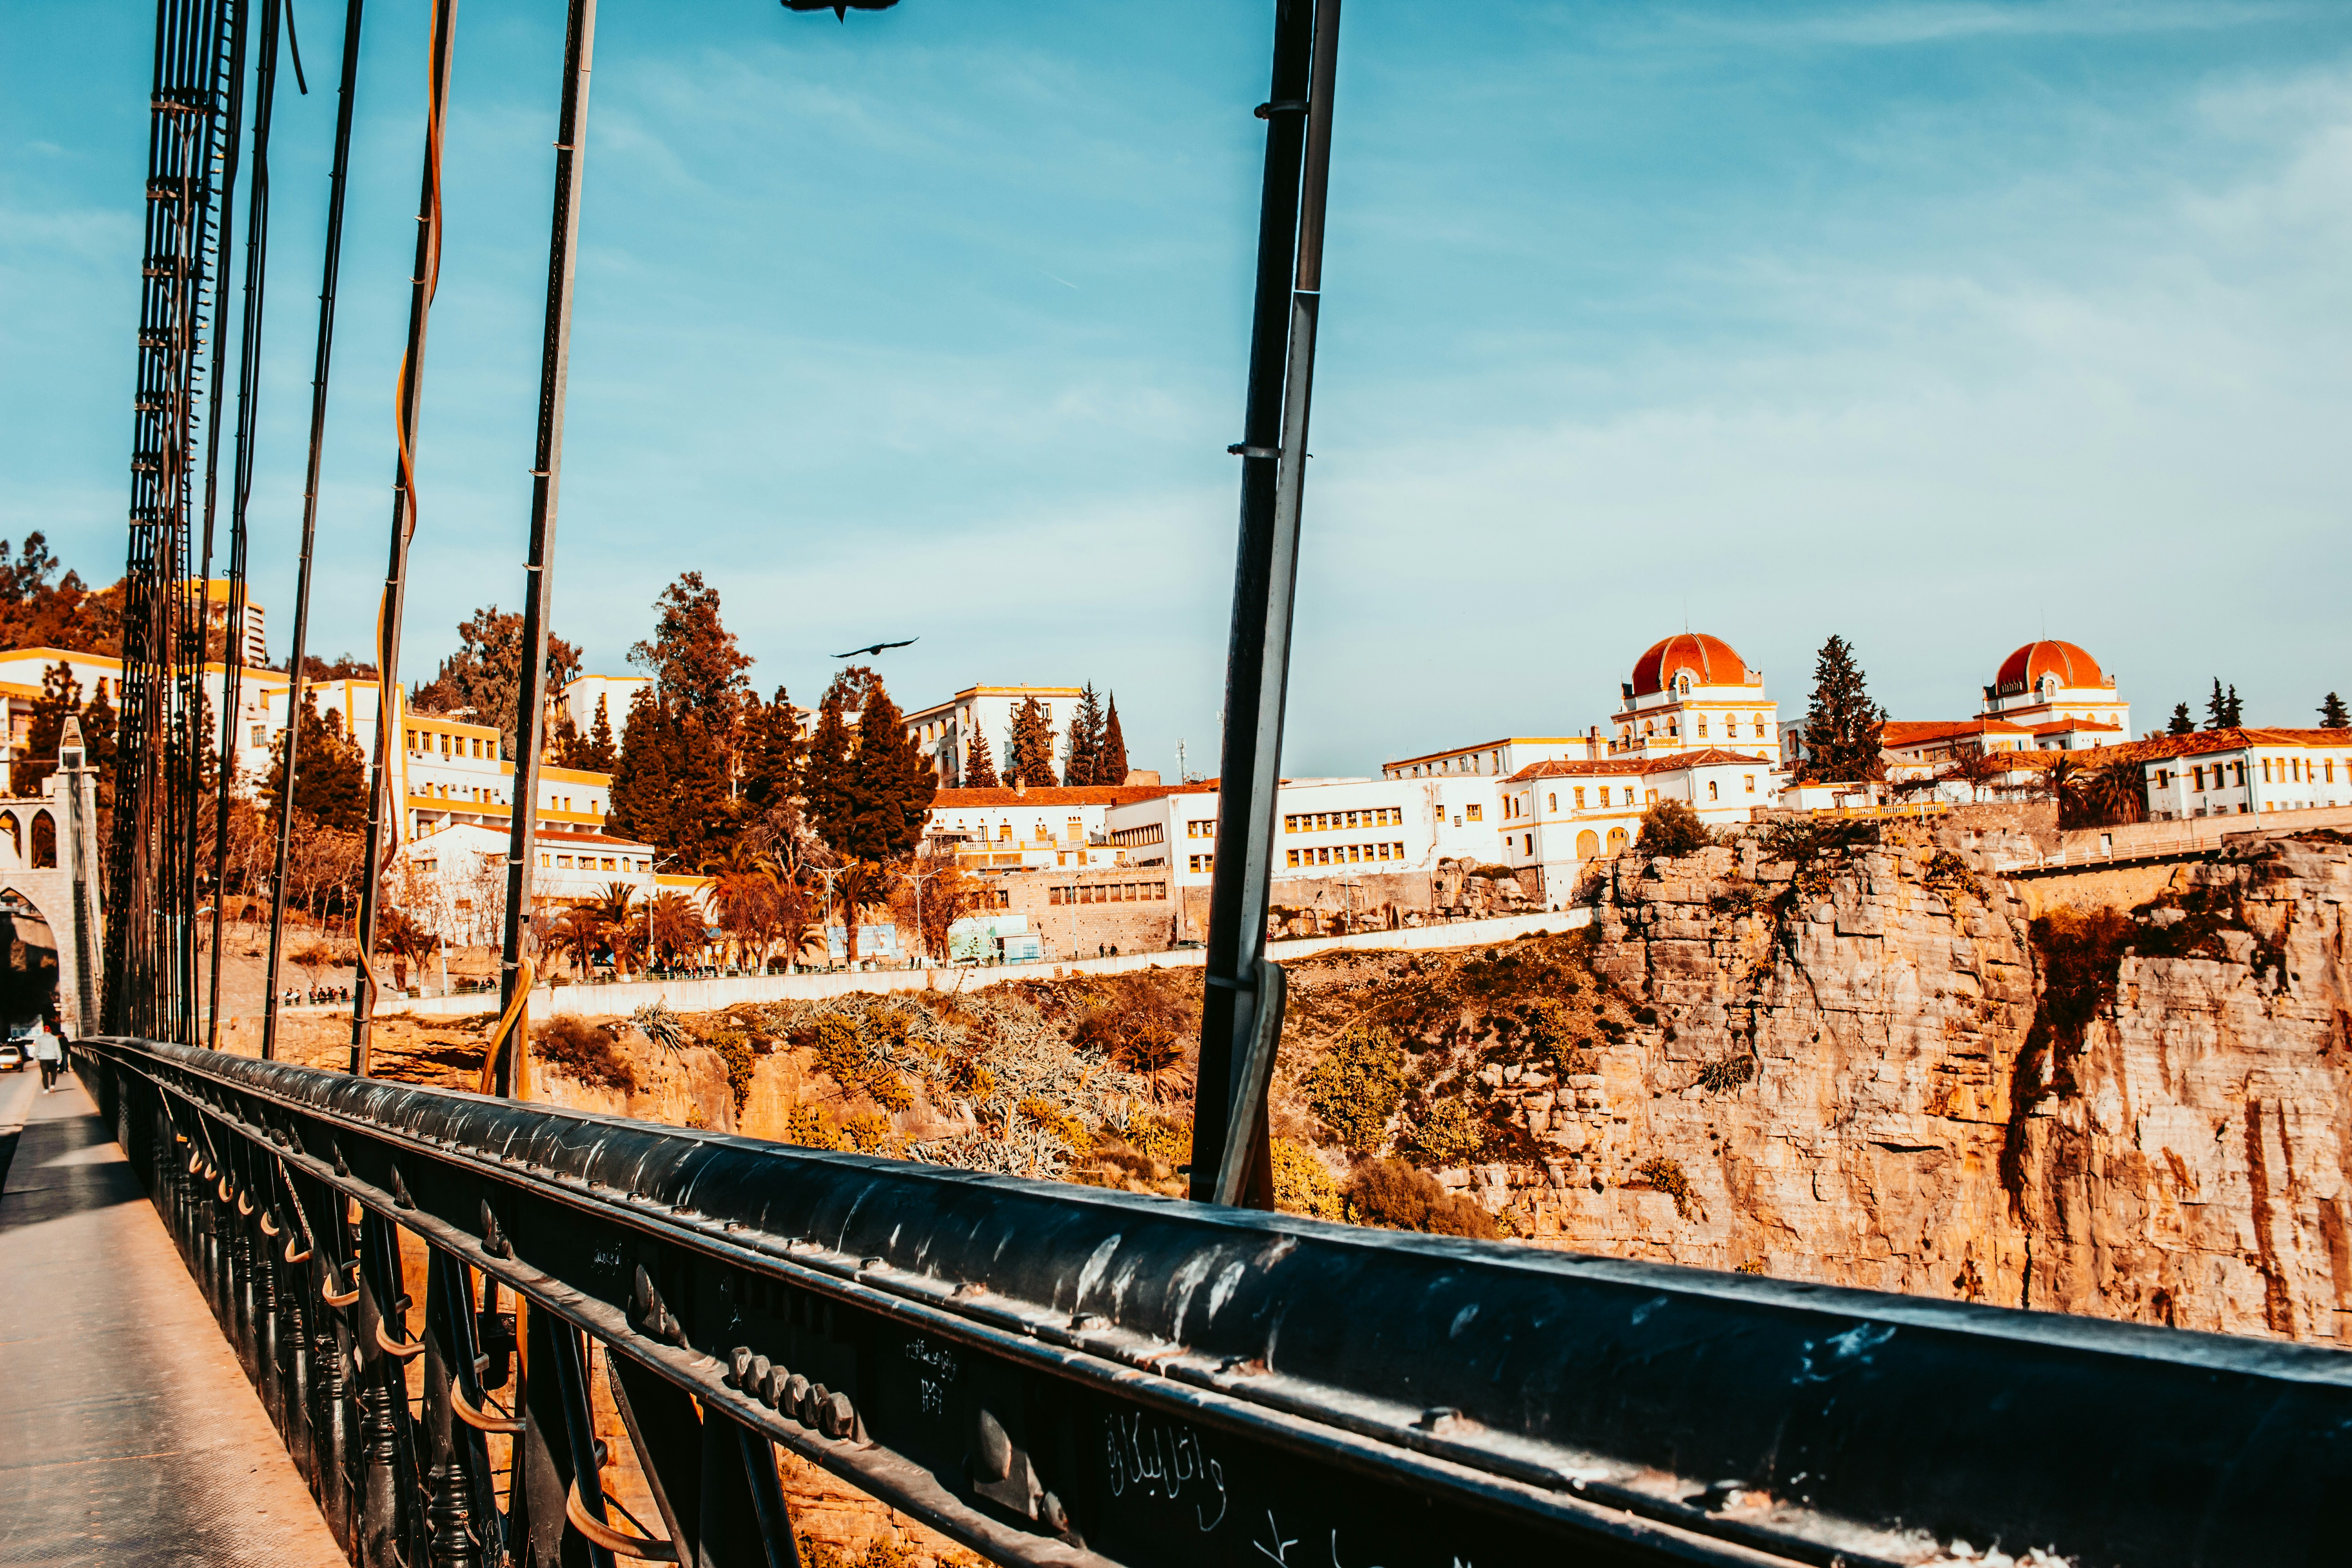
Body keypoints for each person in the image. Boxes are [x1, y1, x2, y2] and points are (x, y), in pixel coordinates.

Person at [29, 1018, 63, 1093]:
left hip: (43, 1058)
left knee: (45, 1074)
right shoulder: (54, 1038)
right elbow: (58, 1049)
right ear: (50, 1031)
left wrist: (36, 1059)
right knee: (54, 1072)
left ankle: (46, 1089)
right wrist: (60, 1058)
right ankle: (53, 1085)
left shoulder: (40, 1039)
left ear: (44, 1031)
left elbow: (37, 1050)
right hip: (52, 1058)